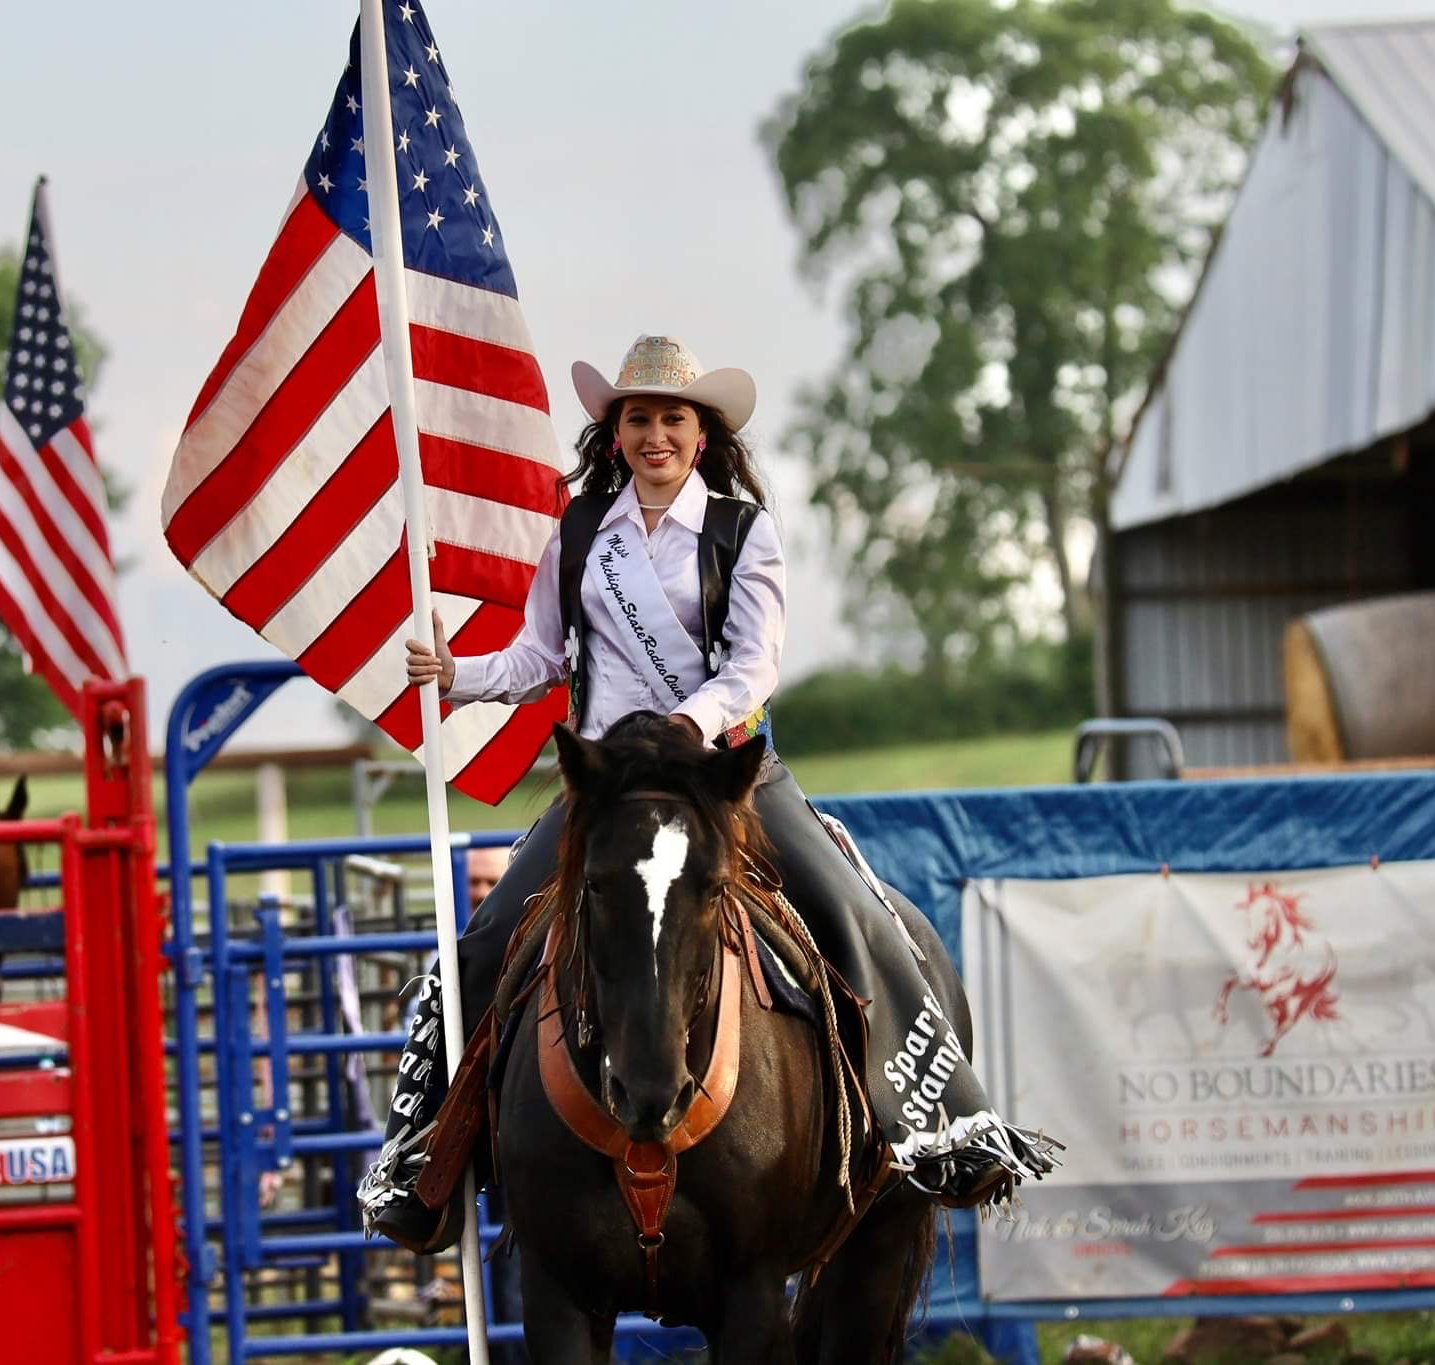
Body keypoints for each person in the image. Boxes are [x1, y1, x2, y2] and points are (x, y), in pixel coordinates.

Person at [357, 335, 1057, 1252]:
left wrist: (683, 729)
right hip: (608, 783)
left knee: (855, 915)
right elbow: (541, 659)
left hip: (723, 775)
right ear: (615, 433)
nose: (655, 435)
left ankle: (942, 1122)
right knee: (485, 942)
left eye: (671, 419)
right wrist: (458, 671)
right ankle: (422, 1158)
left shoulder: (740, 528)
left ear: (700, 434)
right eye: (638, 418)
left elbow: (753, 664)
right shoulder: (577, 532)